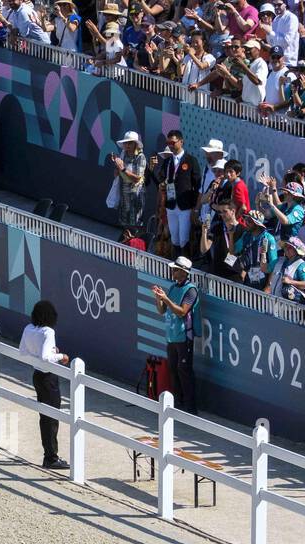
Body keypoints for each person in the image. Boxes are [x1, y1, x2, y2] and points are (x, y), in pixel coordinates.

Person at [19, 300, 70, 470]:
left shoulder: (28, 329)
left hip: (37, 376)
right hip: (48, 378)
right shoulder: (48, 332)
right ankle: (51, 457)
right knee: (51, 418)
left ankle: (49, 455)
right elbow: (46, 357)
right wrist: (61, 356)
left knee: (45, 417)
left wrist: (46, 353)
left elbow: (23, 351)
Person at [151, 256, 200, 414]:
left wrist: (166, 299)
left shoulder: (191, 290)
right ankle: (178, 404)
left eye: (176, 270)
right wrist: (158, 299)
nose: (172, 271)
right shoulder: (172, 288)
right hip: (171, 336)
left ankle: (190, 408)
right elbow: (161, 310)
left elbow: (182, 312)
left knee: (184, 370)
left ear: (183, 272)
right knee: (173, 369)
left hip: (184, 337)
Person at [149, 130, 201, 257]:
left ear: (181, 142)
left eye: (173, 142)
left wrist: (195, 207)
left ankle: (185, 267)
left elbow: (198, 185)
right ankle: (175, 265)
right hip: (171, 205)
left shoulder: (191, 160)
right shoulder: (167, 162)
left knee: (184, 239)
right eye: (168, 143)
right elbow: (160, 181)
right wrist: (152, 172)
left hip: (185, 206)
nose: (170, 145)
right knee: (175, 239)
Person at [112, 131, 148, 233]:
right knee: (124, 224)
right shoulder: (123, 154)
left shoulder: (141, 157)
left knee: (135, 224)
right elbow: (116, 174)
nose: (127, 145)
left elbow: (137, 178)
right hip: (124, 194)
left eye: (130, 143)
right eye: (125, 143)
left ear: (135, 144)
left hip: (135, 195)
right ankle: (125, 245)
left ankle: (135, 246)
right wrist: (116, 166)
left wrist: (123, 169)